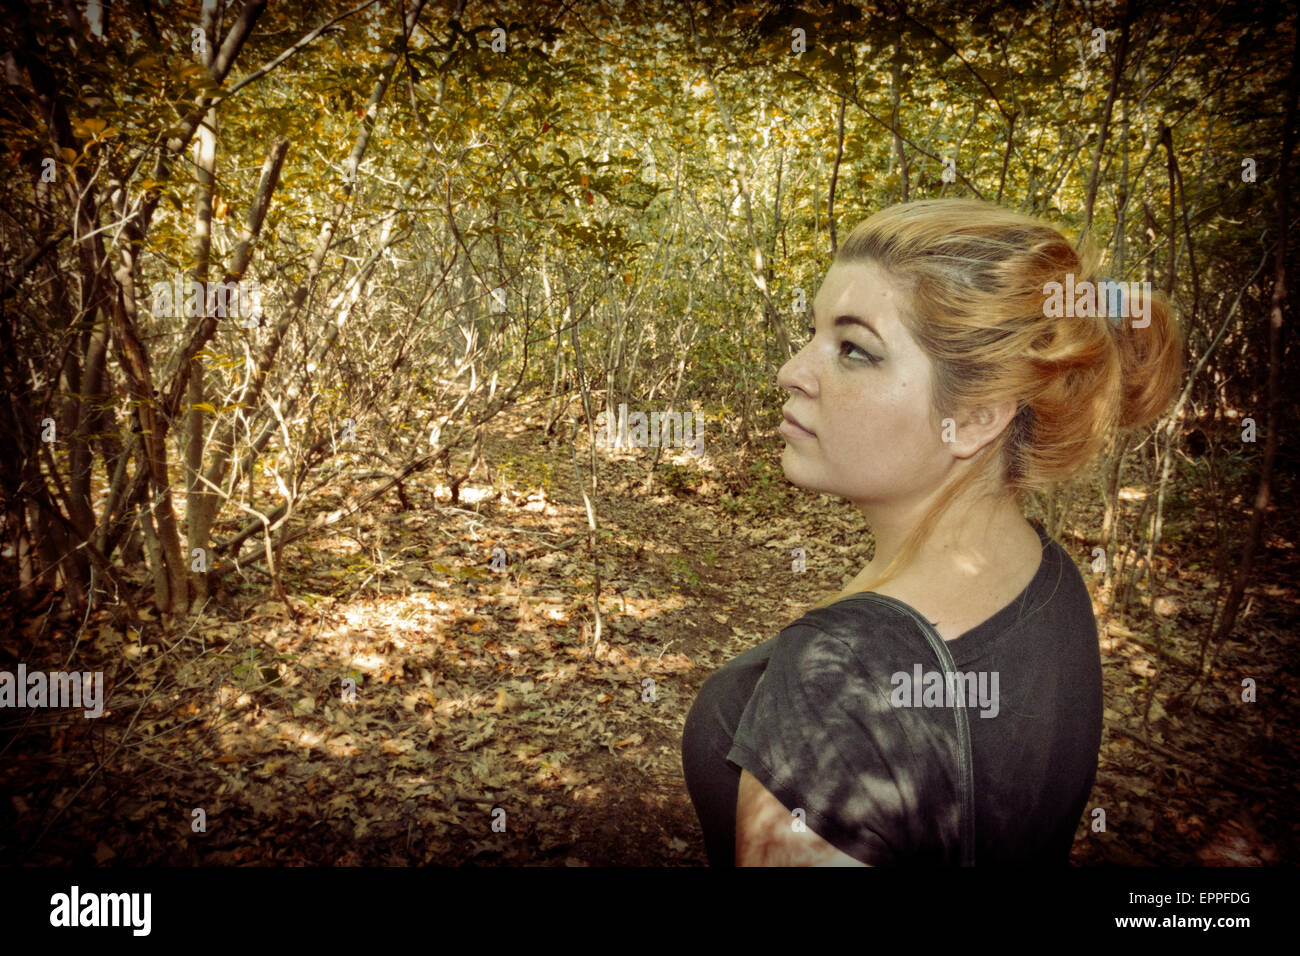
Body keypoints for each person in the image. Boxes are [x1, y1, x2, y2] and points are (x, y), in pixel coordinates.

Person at [680, 198, 1183, 866]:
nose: (792, 372)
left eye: (854, 349)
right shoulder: (1048, 576)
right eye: (814, 334)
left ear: (976, 416)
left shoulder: (839, 679)